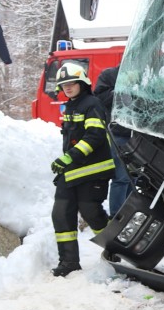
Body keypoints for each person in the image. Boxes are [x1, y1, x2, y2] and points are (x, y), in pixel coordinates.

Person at [49, 62, 115, 277]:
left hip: (93, 170)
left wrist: (69, 157)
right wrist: (67, 162)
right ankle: (68, 262)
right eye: (63, 85)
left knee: (91, 213)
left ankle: (115, 252)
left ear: (82, 83)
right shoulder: (71, 105)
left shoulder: (92, 104)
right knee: (61, 214)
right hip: (72, 171)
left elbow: (95, 137)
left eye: (71, 83)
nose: (67, 88)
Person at [92, 65, 132, 215]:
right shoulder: (109, 75)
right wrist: (120, 90)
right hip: (118, 133)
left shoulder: (144, 75)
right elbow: (99, 99)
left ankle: (128, 213)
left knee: (132, 178)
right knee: (121, 177)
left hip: (137, 135)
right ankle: (117, 215)